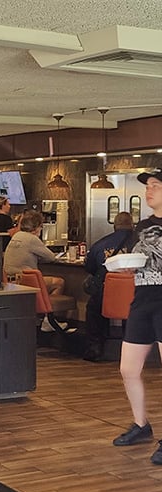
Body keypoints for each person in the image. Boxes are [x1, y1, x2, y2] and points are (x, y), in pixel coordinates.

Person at [112, 169, 162, 463]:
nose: (149, 190)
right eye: (148, 186)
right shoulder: (141, 226)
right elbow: (137, 260)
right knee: (128, 369)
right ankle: (141, 425)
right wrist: (126, 266)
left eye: (156, 185)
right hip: (142, 299)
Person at [3, 209, 70, 332]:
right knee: (59, 282)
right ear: (37, 227)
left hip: (12, 281)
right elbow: (51, 257)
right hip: (27, 283)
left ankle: (44, 318)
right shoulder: (32, 239)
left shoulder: (16, 236)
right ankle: (48, 319)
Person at [83, 212, 134, 362]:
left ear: (114, 226)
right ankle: (131, 348)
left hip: (106, 294)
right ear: (132, 225)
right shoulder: (140, 243)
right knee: (133, 312)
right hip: (134, 293)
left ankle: (95, 347)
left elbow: (90, 268)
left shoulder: (100, 244)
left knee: (93, 309)